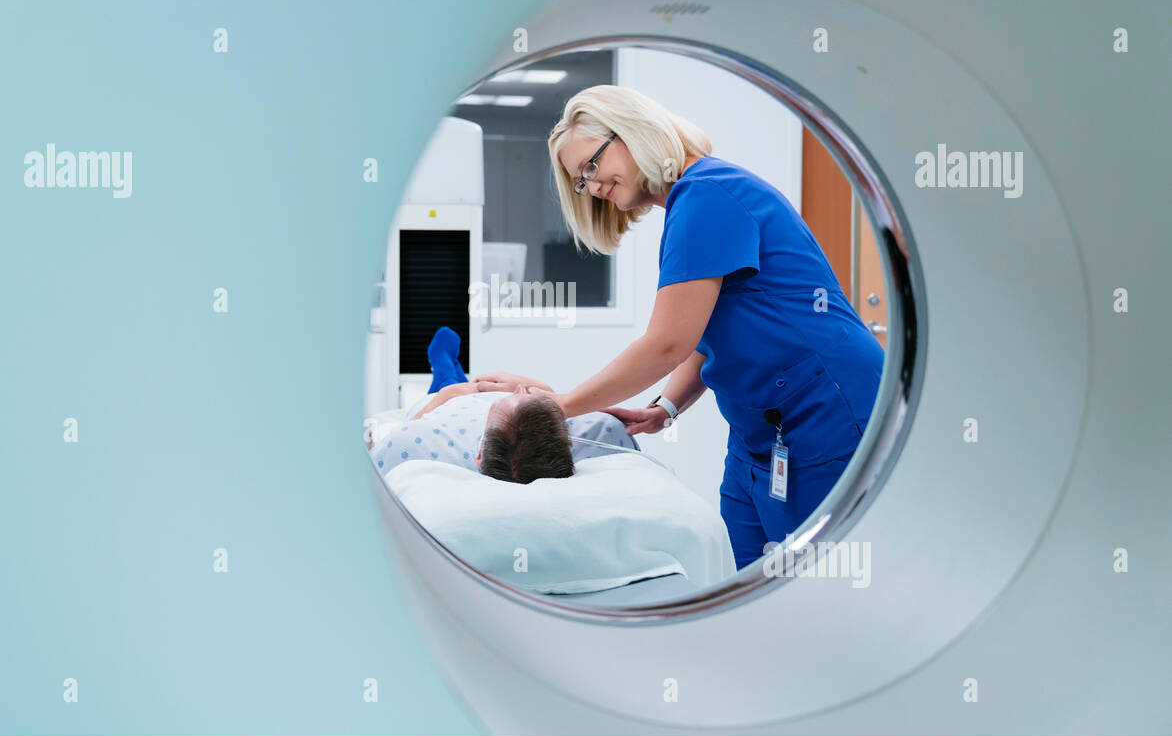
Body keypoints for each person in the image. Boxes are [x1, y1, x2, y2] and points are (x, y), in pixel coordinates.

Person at [474, 85, 883, 567]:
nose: (593, 186)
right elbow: (703, 337)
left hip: (827, 413)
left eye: (591, 166)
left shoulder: (708, 193)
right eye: (581, 181)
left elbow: (668, 343)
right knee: (742, 576)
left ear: (630, 133)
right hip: (759, 431)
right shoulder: (690, 204)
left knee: (815, 587)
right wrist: (665, 407)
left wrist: (557, 406)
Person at [369, 327, 639, 484]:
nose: (521, 389)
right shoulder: (586, 436)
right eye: (527, 394)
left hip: (452, 406)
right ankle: (452, 369)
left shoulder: (426, 439)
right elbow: (556, 400)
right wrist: (528, 389)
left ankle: (442, 367)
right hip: (500, 405)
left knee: (449, 380)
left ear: (478, 455)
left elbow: (409, 428)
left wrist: (448, 397)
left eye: (514, 395)